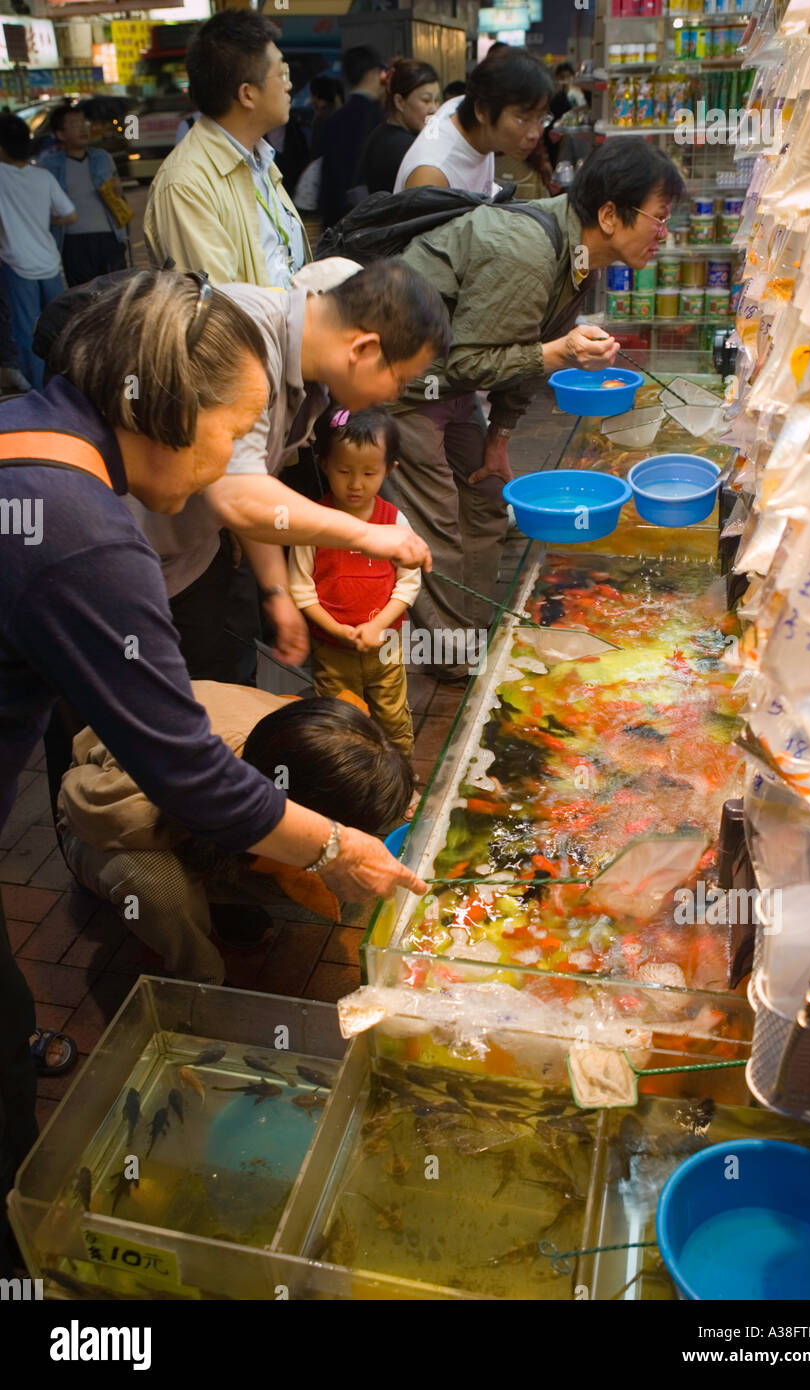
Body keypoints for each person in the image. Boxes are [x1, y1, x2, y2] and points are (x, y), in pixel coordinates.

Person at [0, 269, 426, 1276]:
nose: (235, 462)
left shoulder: (36, 432)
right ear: (164, 409)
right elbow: (190, 775)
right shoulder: (85, 535)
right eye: (232, 432)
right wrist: (339, 848)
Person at [390, 137, 684, 676]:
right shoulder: (525, 246)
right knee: (437, 523)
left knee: (482, 501)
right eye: (659, 218)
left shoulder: (577, 256)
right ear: (611, 214)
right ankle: (456, 663)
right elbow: (472, 361)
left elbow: (519, 347)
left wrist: (499, 436)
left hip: (449, 386)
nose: (664, 234)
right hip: (403, 388)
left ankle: (478, 637)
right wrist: (557, 351)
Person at [115, 260, 450, 684]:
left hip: (185, 563)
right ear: (363, 350)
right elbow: (236, 493)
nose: (395, 396)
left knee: (210, 687)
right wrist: (367, 534)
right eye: (401, 380)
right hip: (117, 567)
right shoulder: (239, 339)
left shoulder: (311, 377)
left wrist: (276, 589)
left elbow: (255, 484)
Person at [58, 687, 413, 985]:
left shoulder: (309, 736)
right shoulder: (144, 809)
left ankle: (222, 893)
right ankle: (201, 980)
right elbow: (76, 801)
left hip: (219, 797)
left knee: (318, 861)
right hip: (96, 817)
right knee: (157, 888)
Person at [144, 9, 309, 287]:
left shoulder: (260, 157)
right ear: (247, 94)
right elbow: (218, 309)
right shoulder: (185, 184)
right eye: (282, 73)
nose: (289, 84)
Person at [289, 409, 418, 760]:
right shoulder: (312, 524)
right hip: (332, 649)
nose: (356, 484)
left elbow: (408, 583)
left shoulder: (394, 521)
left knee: (392, 716)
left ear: (389, 469)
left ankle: (403, 775)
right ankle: (350, 782)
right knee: (340, 720)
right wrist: (338, 630)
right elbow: (301, 589)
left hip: (386, 645)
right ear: (324, 464)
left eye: (369, 473)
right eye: (344, 471)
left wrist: (377, 625)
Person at [394, 47, 552, 195]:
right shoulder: (433, 174)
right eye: (522, 119)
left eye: (541, 118)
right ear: (482, 111)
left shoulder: (464, 110)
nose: (535, 134)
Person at [0, 112, 76, 389]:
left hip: (18, 266)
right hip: (49, 264)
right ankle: (67, 386)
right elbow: (70, 214)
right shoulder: (42, 176)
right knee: (61, 329)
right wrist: (43, 218)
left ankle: (38, 393)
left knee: (26, 334)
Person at [38, 102, 127, 288]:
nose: (83, 128)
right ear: (60, 134)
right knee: (83, 298)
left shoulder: (102, 158)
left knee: (116, 294)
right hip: (73, 241)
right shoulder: (48, 166)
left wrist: (118, 190)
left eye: (83, 123)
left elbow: (118, 194)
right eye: (74, 124)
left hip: (109, 236)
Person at [318, 45, 384, 227]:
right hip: (369, 217)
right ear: (373, 73)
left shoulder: (334, 118)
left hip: (337, 218)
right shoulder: (379, 116)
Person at [359, 59, 440, 196]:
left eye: (437, 100)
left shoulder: (381, 133)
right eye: (426, 100)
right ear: (400, 102)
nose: (433, 109)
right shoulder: (404, 147)